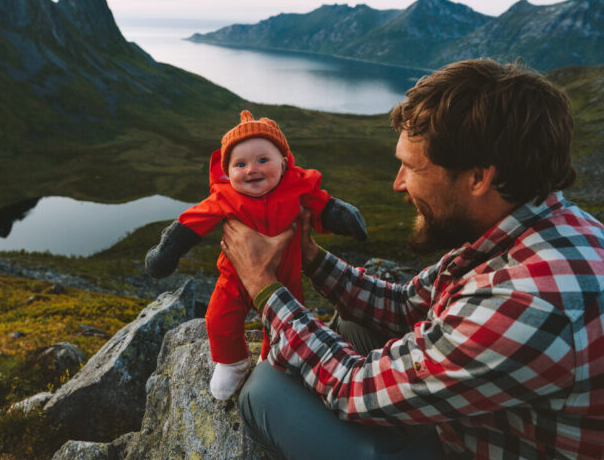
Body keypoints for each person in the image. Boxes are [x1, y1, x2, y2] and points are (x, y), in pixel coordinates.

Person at [220, 59, 604, 459]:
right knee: (355, 323)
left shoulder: (525, 301)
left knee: (265, 391)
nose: (398, 182)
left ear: (478, 179)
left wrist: (264, 287)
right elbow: (406, 305)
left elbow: (354, 389)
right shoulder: (536, 225)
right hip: (492, 422)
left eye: (411, 166)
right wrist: (311, 256)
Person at [145, 110, 367, 400]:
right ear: (227, 172)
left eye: (263, 160)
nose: (252, 169)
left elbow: (322, 206)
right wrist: (166, 252)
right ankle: (233, 363)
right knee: (218, 319)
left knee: (283, 324)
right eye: (240, 164)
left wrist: (344, 218)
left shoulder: (297, 188)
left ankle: (271, 360)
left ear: (284, 163)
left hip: (283, 279)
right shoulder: (224, 197)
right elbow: (191, 223)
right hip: (233, 279)